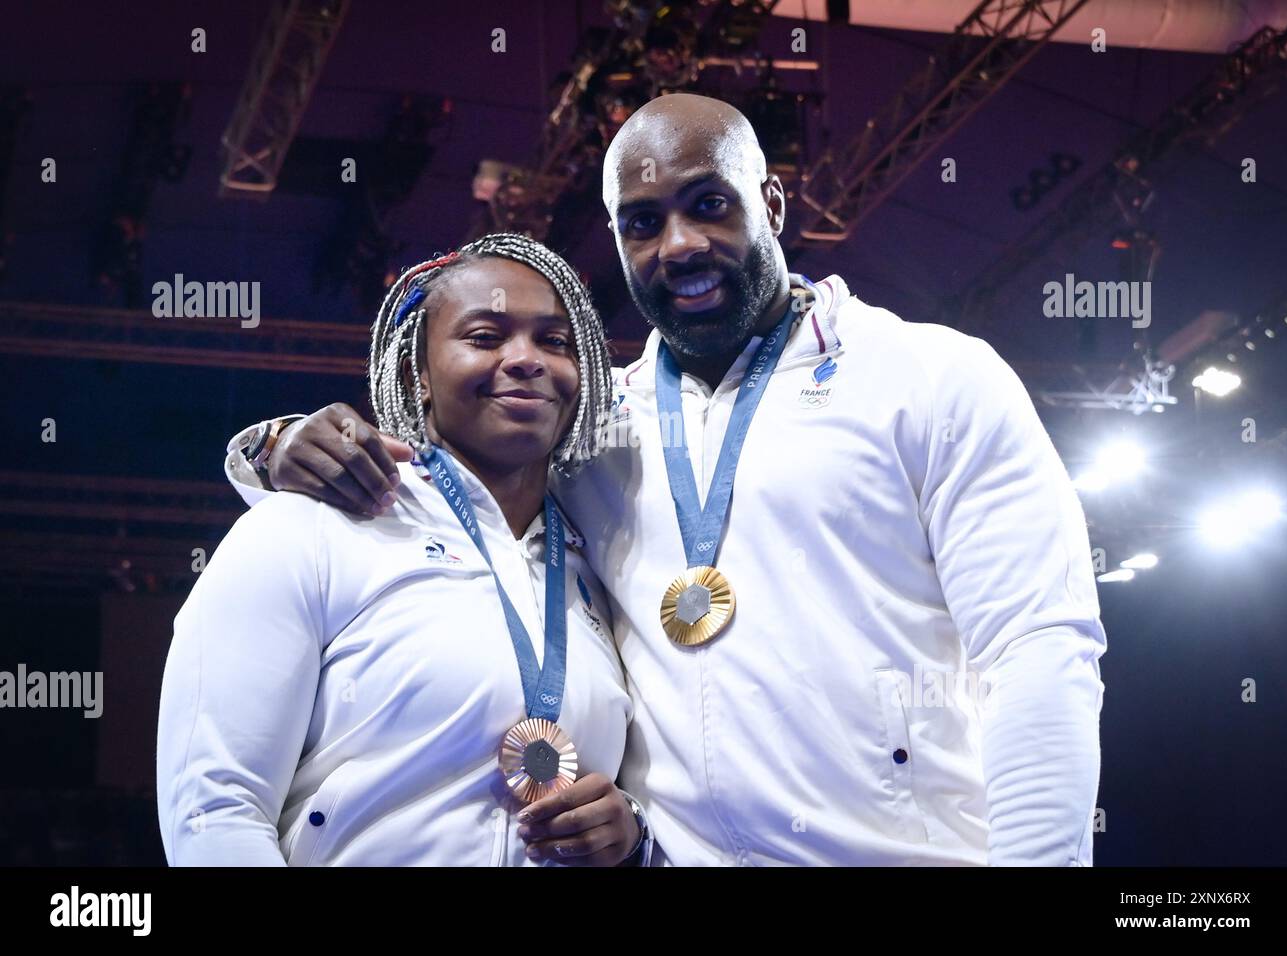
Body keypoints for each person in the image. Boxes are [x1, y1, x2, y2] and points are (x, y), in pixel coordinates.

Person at [224, 94, 1107, 866]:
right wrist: (270, 445)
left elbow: (1037, 649)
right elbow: (449, 493)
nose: (679, 244)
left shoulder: (931, 376)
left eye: (709, 205)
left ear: (773, 203)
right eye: (641, 222)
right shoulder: (595, 426)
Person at [158, 233, 651, 866]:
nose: (526, 359)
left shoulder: (602, 566)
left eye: (554, 342)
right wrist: (269, 443)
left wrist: (631, 834)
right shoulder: (308, 528)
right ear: (419, 375)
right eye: (485, 336)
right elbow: (214, 805)